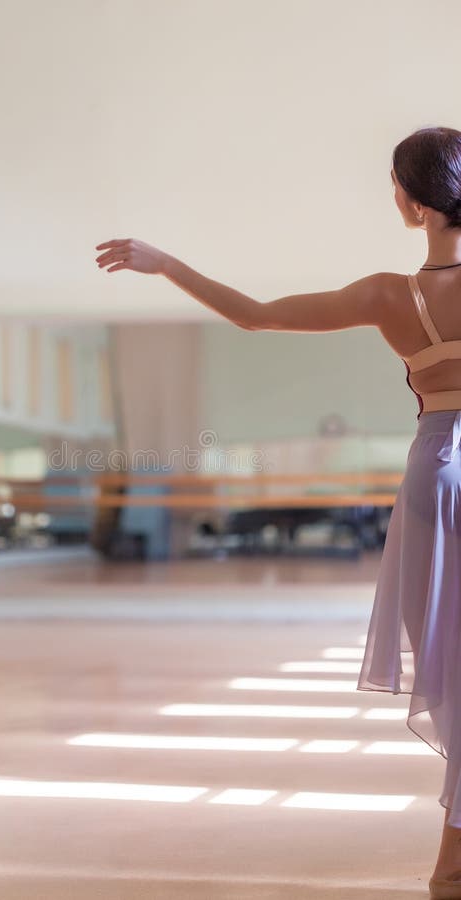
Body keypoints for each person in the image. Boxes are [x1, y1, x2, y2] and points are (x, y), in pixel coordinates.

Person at [95, 125, 461, 899]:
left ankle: (452, 862)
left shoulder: (389, 295)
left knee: (450, 662)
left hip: (438, 475)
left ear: (413, 201)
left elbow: (257, 315)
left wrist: (167, 264)